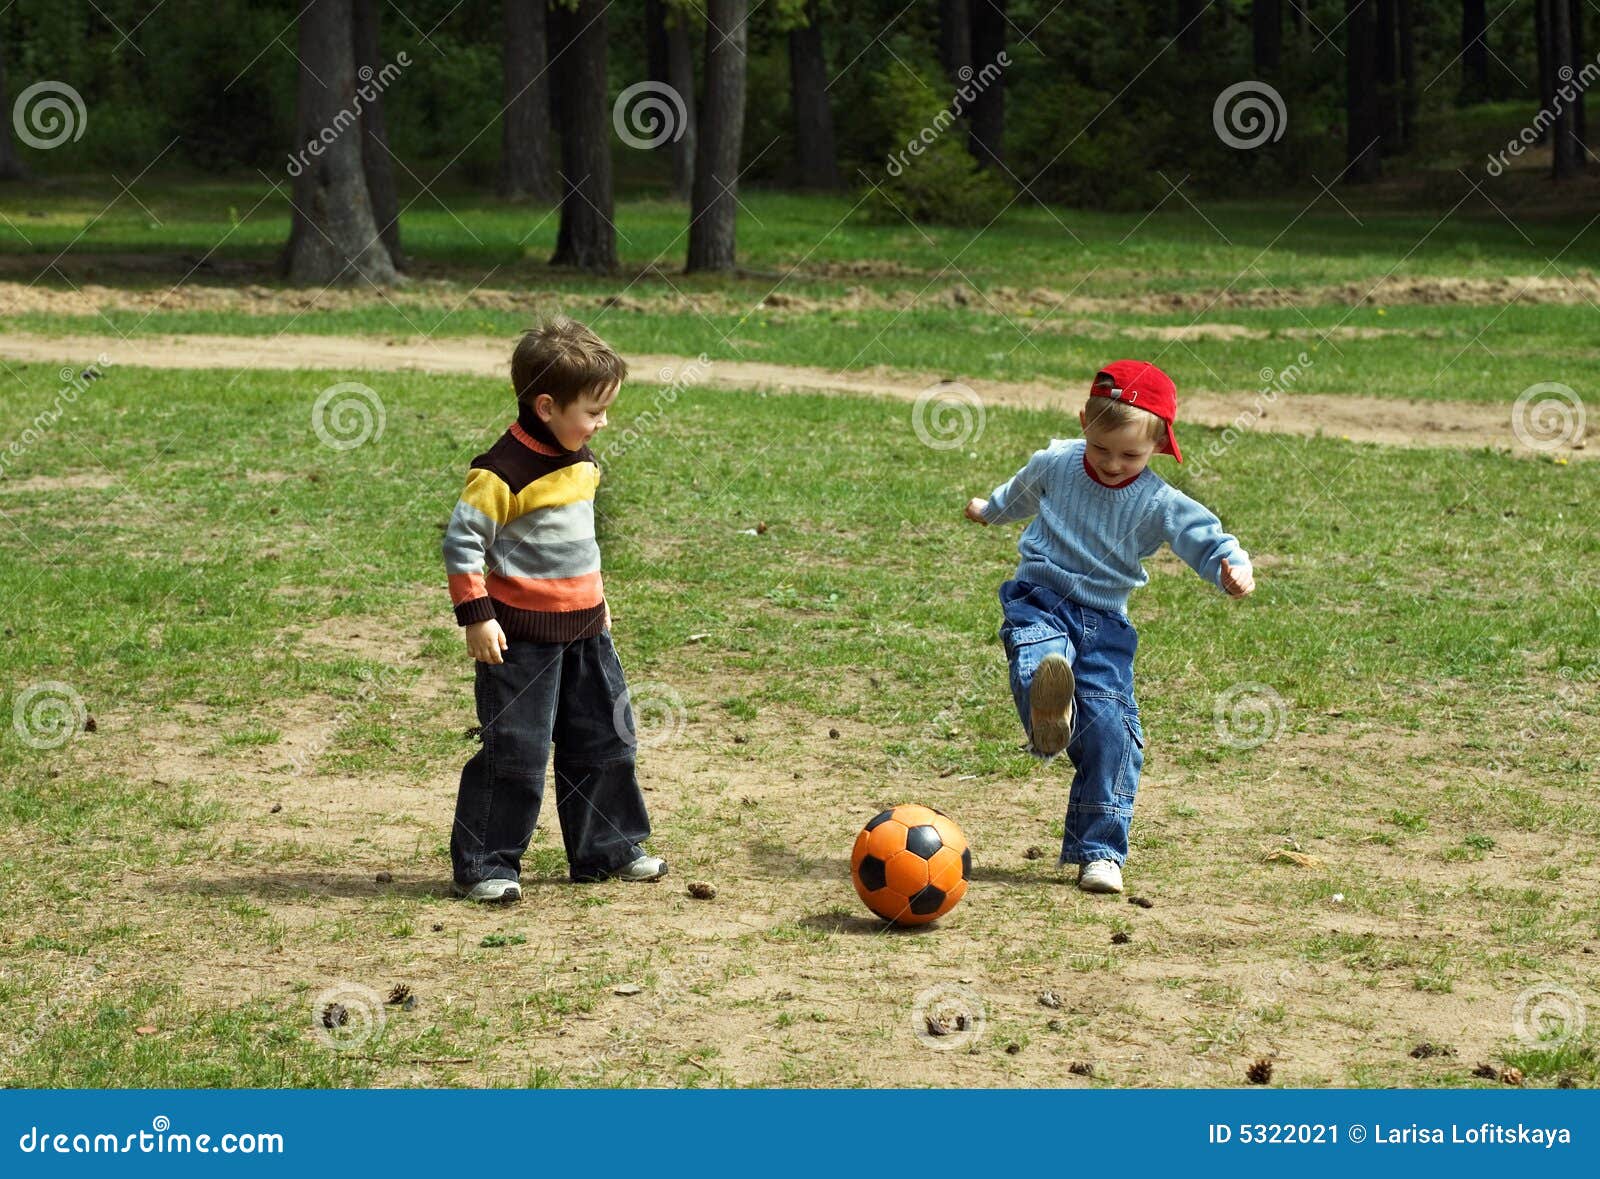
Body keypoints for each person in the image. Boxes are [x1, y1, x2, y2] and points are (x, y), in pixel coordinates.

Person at [964, 360, 1255, 894]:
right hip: (1041, 596)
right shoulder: (1056, 463)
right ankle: (1047, 713)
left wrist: (1231, 568)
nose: (1114, 463)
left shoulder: (1158, 502)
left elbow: (1207, 539)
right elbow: (1020, 494)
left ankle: (1100, 853)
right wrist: (990, 510)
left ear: (1159, 447)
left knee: (1114, 733)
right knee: (1042, 652)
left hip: (1105, 624)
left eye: (1131, 455)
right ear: (1083, 423)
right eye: (1102, 449)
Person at [443, 317, 666, 903]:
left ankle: (608, 848)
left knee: (605, 739)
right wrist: (478, 616)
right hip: (521, 642)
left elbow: (578, 542)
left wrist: (598, 598)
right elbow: (463, 544)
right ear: (546, 406)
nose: (602, 423)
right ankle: (487, 862)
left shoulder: (581, 461)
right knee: (515, 750)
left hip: (587, 630)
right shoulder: (500, 473)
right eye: (593, 412)